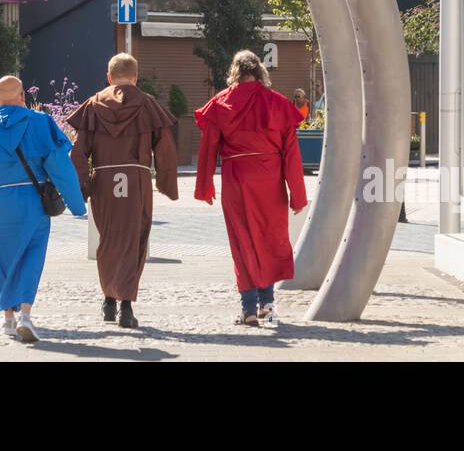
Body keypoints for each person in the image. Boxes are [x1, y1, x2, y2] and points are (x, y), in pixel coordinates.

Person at [0, 74, 86, 343]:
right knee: (31, 258)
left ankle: (7, 318)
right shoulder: (41, 123)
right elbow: (61, 167)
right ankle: (26, 315)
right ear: (22, 98)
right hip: (34, 201)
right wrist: (77, 205)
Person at [195, 50, 308, 327]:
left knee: (242, 241)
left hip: (236, 178)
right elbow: (292, 153)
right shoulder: (278, 103)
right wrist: (298, 195)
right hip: (269, 179)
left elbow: (208, 148)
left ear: (234, 71)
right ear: (259, 71)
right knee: (269, 238)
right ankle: (267, 305)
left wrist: (205, 186)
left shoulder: (221, 102)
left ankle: (247, 309)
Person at [66, 53, 179, 330]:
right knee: (134, 241)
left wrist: (81, 188)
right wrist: (167, 183)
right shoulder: (147, 104)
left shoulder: (93, 105)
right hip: (136, 178)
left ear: (108, 77)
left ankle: (108, 300)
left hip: (104, 180)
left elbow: (78, 153)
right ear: (136, 77)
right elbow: (164, 149)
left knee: (108, 240)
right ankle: (126, 306)